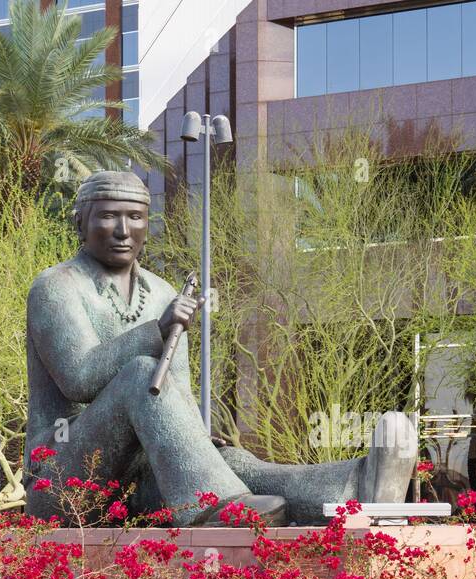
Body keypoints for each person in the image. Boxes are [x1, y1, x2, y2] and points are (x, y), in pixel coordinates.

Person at [24, 170, 416, 525]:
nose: (123, 230)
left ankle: (354, 486)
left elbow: (175, 389)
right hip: (65, 478)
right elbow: (78, 379)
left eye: (135, 217)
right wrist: (155, 331)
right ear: (81, 222)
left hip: (138, 479)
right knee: (142, 372)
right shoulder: (55, 287)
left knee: (225, 460)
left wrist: (191, 435)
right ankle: (214, 509)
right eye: (108, 216)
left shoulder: (163, 292)